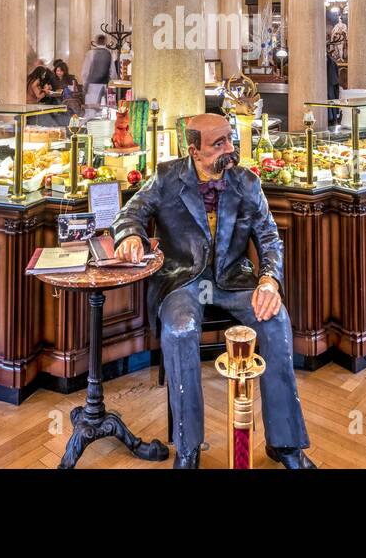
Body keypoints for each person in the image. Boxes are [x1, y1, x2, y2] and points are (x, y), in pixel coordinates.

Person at [110, 114, 315, 469]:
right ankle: (188, 448)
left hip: (234, 280)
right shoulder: (166, 176)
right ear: (193, 150)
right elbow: (129, 214)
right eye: (218, 144)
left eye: (230, 141)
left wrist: (270, 280)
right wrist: (129, 235)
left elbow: (269, 238)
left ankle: (285, 444)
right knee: (180, 329)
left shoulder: (247, 182)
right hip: (181, 280)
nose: (229, 150)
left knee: (276, 319)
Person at [78, 34, 113, 117]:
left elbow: (85, 72)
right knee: (102, 111)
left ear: (96, 42)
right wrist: (111, 86)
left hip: (92, 86)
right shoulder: (109, 54)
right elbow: (112, 72)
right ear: (105, 42)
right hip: (104, 86)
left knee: (91, 111)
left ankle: (90, 128)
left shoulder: (91, 53)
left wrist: (84, 85)